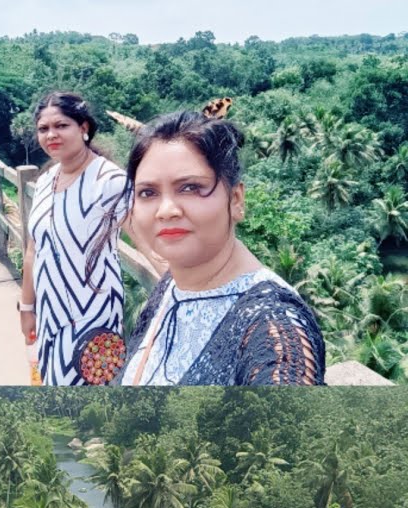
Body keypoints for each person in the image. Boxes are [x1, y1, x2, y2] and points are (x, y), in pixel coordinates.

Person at [118, 110, 324, 385]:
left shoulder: (273, 326)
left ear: (236, 199)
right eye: (148, 193)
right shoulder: (174, 285)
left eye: (190, 187)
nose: (166, 210)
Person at [20, 92, 156, 385]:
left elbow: (146, 242)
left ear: (83, 128)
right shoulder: (46, 181)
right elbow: (34, 249)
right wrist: (27, 307)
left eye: (61, 125)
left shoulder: (109, 181)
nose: (51, 135)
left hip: (94, 317)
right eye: (43, 128)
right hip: (51, 313)